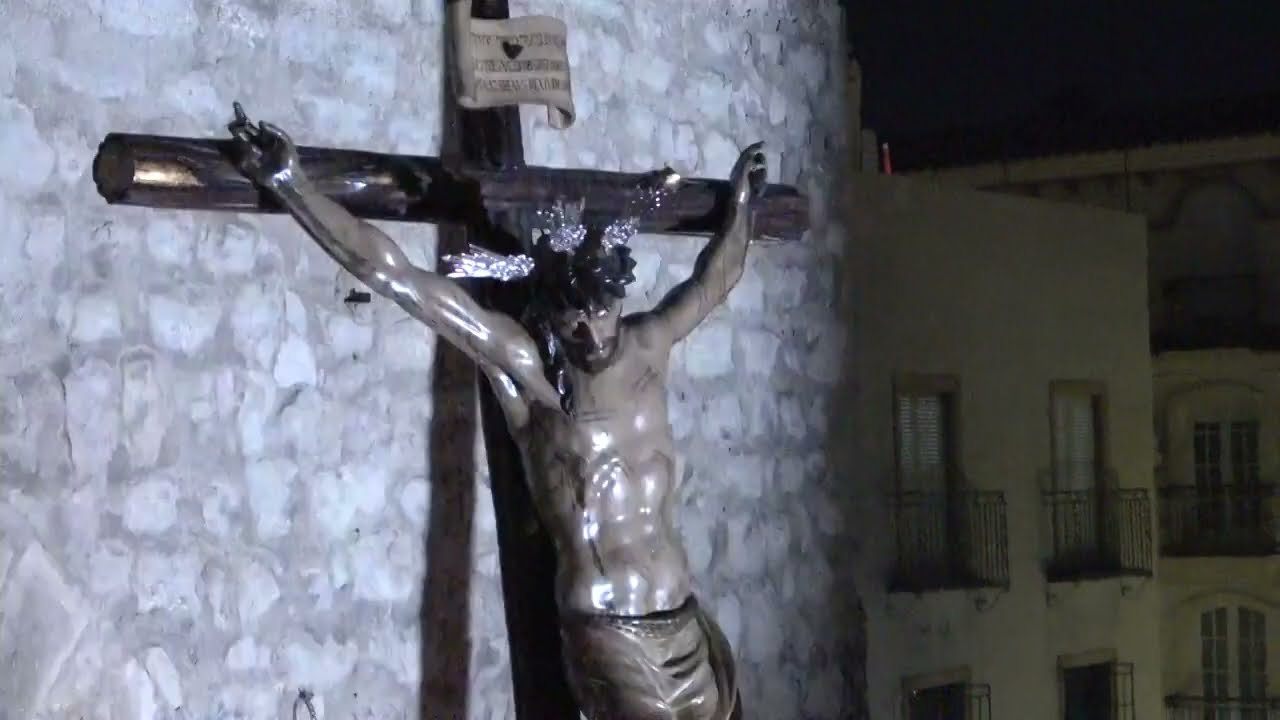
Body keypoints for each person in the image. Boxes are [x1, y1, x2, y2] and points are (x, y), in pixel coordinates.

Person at [227, 102, 764, 720]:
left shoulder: (649, 345)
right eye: (575, 321)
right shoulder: (527, 372)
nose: (593, 333)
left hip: (685, 624)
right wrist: (292, 183)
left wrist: (743, 207)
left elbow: (714, 282)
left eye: (603, 312)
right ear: (551, 315)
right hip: (612, 639)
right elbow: (395, 274)